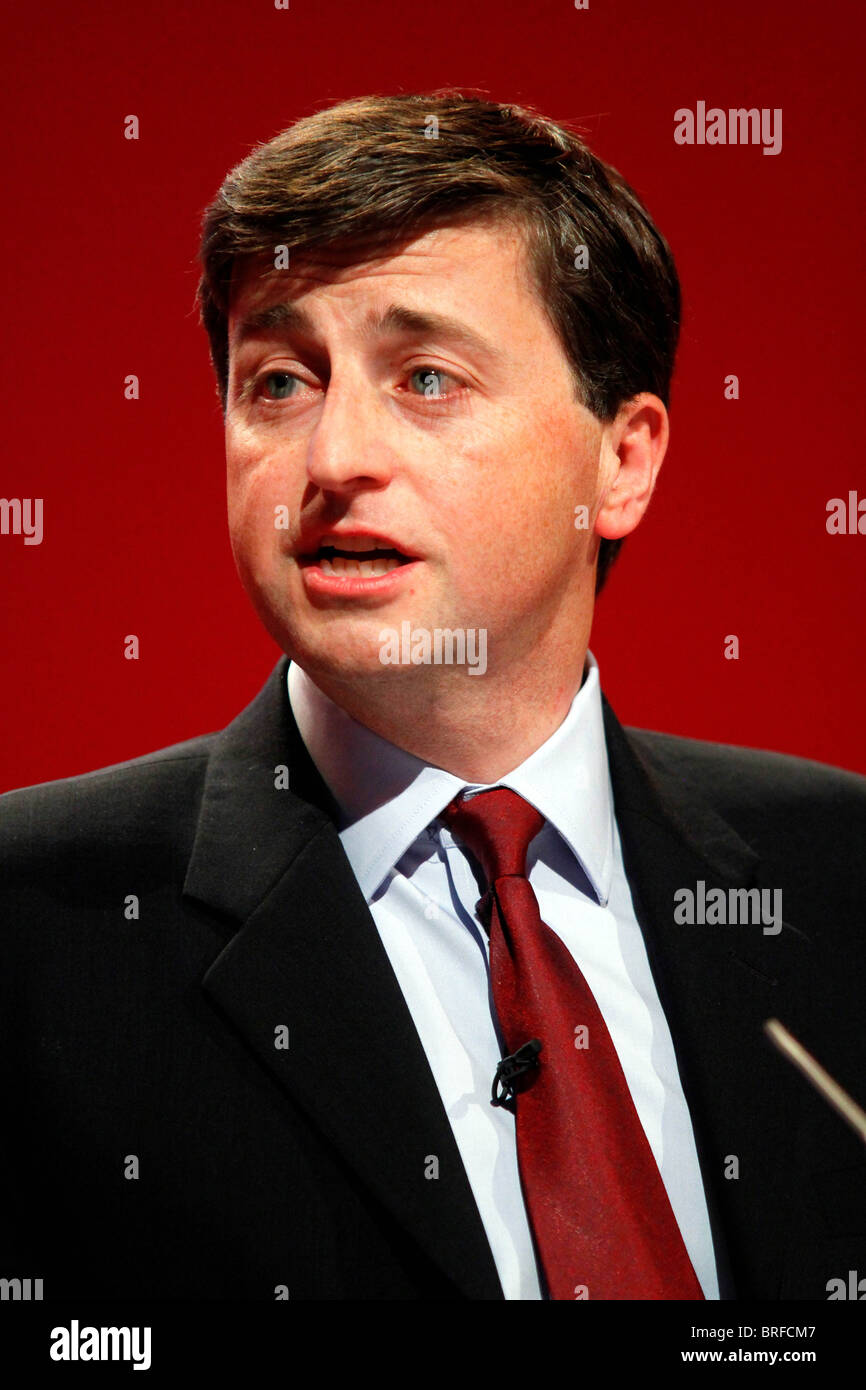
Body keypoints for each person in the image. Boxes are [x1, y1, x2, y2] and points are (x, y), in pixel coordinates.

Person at [2, 92, 864, 1302]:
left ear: (622, 459)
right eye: (280, 381)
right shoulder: (33, 928)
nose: (335, 455)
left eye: (424, 375)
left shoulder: (837, 873)